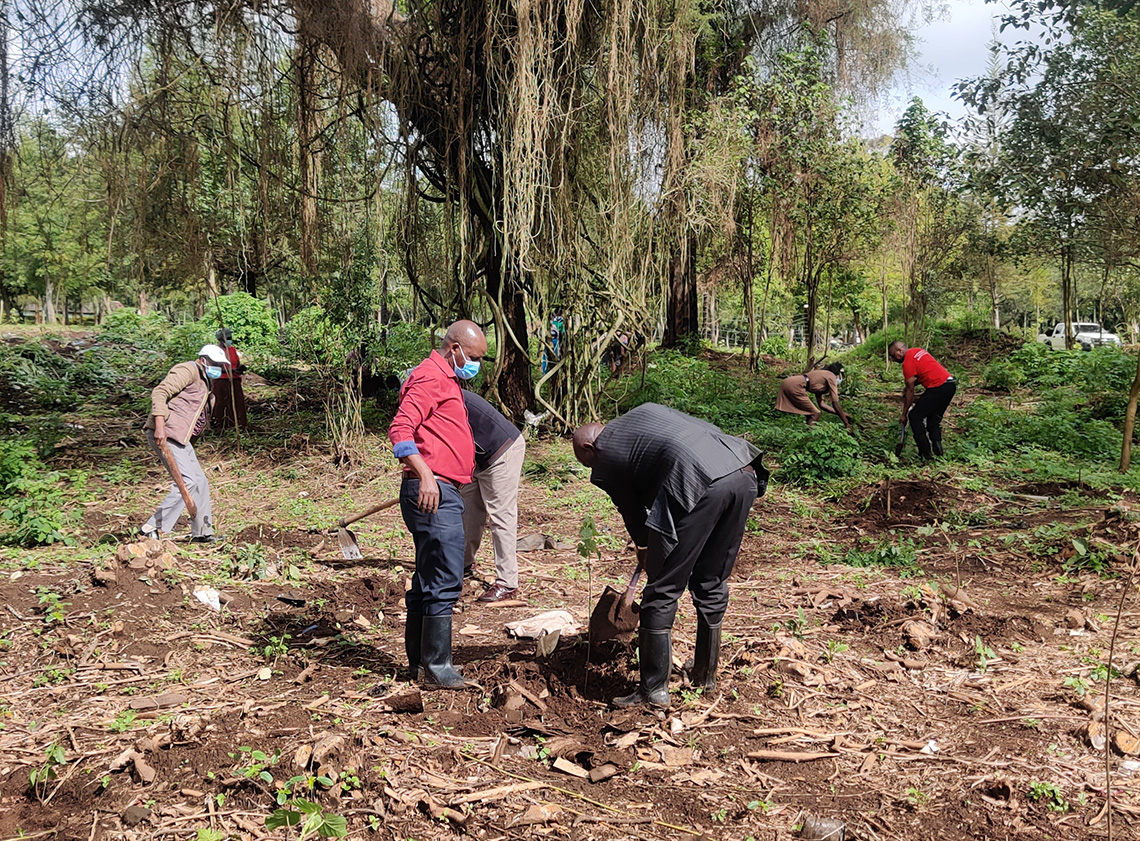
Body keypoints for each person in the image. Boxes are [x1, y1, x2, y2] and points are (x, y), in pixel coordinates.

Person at [571, 403, 768, 708]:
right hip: (741, 471)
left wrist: (645, 546)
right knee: (711, 579)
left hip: (697, 480)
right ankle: (705, 675)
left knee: (662, 589)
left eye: (587, 463)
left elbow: (631, 509)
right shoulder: (641, 415)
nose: (593, 469)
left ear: (589, 446)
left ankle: (653, 692)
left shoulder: (604, 452)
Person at [388, 320, 487, 689]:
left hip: (445, 489)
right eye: (474, 357)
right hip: (433, 491)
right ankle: (437, 665)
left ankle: (419, 663)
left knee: (428, 576)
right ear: (455, 349)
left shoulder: (446, 379)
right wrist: (426, 475)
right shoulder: (431, 377)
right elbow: (400, 430)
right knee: (445, 574)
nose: (477, 365)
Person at [140, 345, 229, 543]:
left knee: (200, 482)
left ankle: (203, 533)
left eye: (220, 365)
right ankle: (151, 527)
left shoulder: (206, 382)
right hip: (166, 433)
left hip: (181, 439)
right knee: (187, 481)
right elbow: (160, 392)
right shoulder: (188, 370)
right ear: (204, 360)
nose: (218, 368)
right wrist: (160, 428)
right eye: (215, 364)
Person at [461, 390, 526, 603]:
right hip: (476, 458)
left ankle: (507, 583)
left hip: (502, 451)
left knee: (501, 516)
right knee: (467, 510)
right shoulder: (432, 398)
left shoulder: (447, 397)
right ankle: (463, 565)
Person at [888, 341, 957, 460]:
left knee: (915, 417)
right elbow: (925, 372)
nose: (893, 359)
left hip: (938, 387)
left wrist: (904, 414)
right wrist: (911, 385)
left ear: (900, 351)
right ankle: (938, 450)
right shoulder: (918, 351)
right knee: (933, 419)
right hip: (950, 385)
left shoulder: (907, 363)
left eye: (893, 355)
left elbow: (910, 392)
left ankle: (925, 453)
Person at [775, 362, 852, 430]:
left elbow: (822, 405)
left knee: (811, 413)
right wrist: (846, 423)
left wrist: (844, 415)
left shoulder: (822, 376)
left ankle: (805, 434)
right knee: (815, 414)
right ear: (838, 374)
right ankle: (808, 439)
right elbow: (835, 404)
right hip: (795, 386)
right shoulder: (831, 376)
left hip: (788, 382)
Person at [210, 328, 247, 429]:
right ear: (221, 339)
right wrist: (228, 371)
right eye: (228, 338)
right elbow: (212, 368)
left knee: (237, 402)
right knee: (221, 403)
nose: (230, 340)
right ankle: (219, 425)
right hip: (221, 381)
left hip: (234, 380)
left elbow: (237, 364)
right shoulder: (216, 351)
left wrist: (239, 369)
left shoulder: (232, 350)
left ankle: (239, 424)